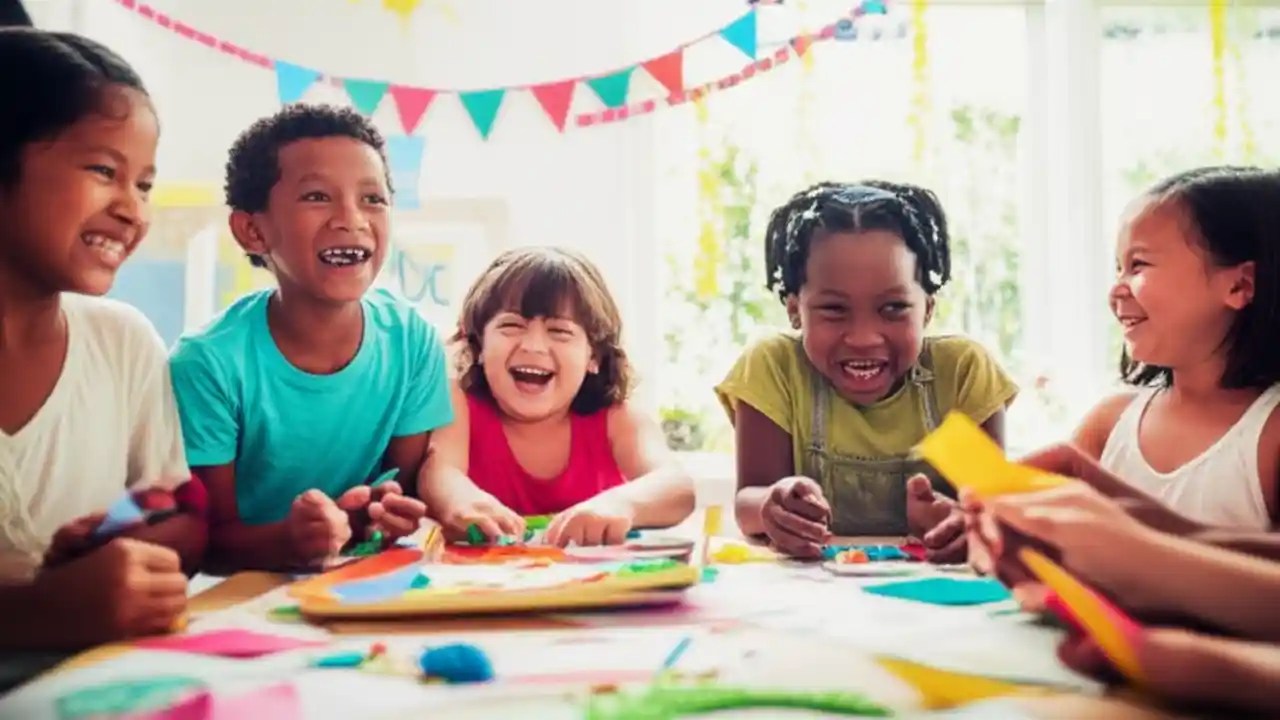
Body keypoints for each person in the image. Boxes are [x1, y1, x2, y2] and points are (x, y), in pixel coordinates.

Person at [170, 104, 447, 571]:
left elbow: (403, 490)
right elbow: (204, 543)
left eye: (373, 199)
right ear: (252, 230)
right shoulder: (206, 364)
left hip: (359, 584)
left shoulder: (413, 342)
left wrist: (378, 515)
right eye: (318, 196)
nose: (351, 219)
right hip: (237, 593)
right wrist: (288, 540)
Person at [0, 27, 190, 651]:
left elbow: (176, 514)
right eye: (105, 171)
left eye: (144, 185)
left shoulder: (124, 343)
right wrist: (35, 612)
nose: (134, 211)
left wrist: (120, 547)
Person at [715, 181, 1017, 559]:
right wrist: (772, 507)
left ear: (928, 308)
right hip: (810, 595)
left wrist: (964, 521)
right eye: (834, 310)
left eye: (893, 308)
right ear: (794, 309)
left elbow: (995, 510)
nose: (862, 338)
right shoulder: (772, 367)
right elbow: (749, 500)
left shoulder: (963, 373)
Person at [419, 247, 695, 546]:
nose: (534, 346)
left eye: (560, 331)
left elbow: (677, 487)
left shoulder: (618, 421)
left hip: (592, 589)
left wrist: (618, 505)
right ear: (478, 346)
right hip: (483, 589)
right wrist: (459, 500)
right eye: (511, 325)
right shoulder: (459, 404)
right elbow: (439, 471)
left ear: (595, 357)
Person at [1073, 167, 1280, 530]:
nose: (1116, 291)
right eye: (1118, 269)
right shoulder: (1107, 424)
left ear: (1240, 285)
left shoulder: (1270, 437)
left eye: (1138, 265)